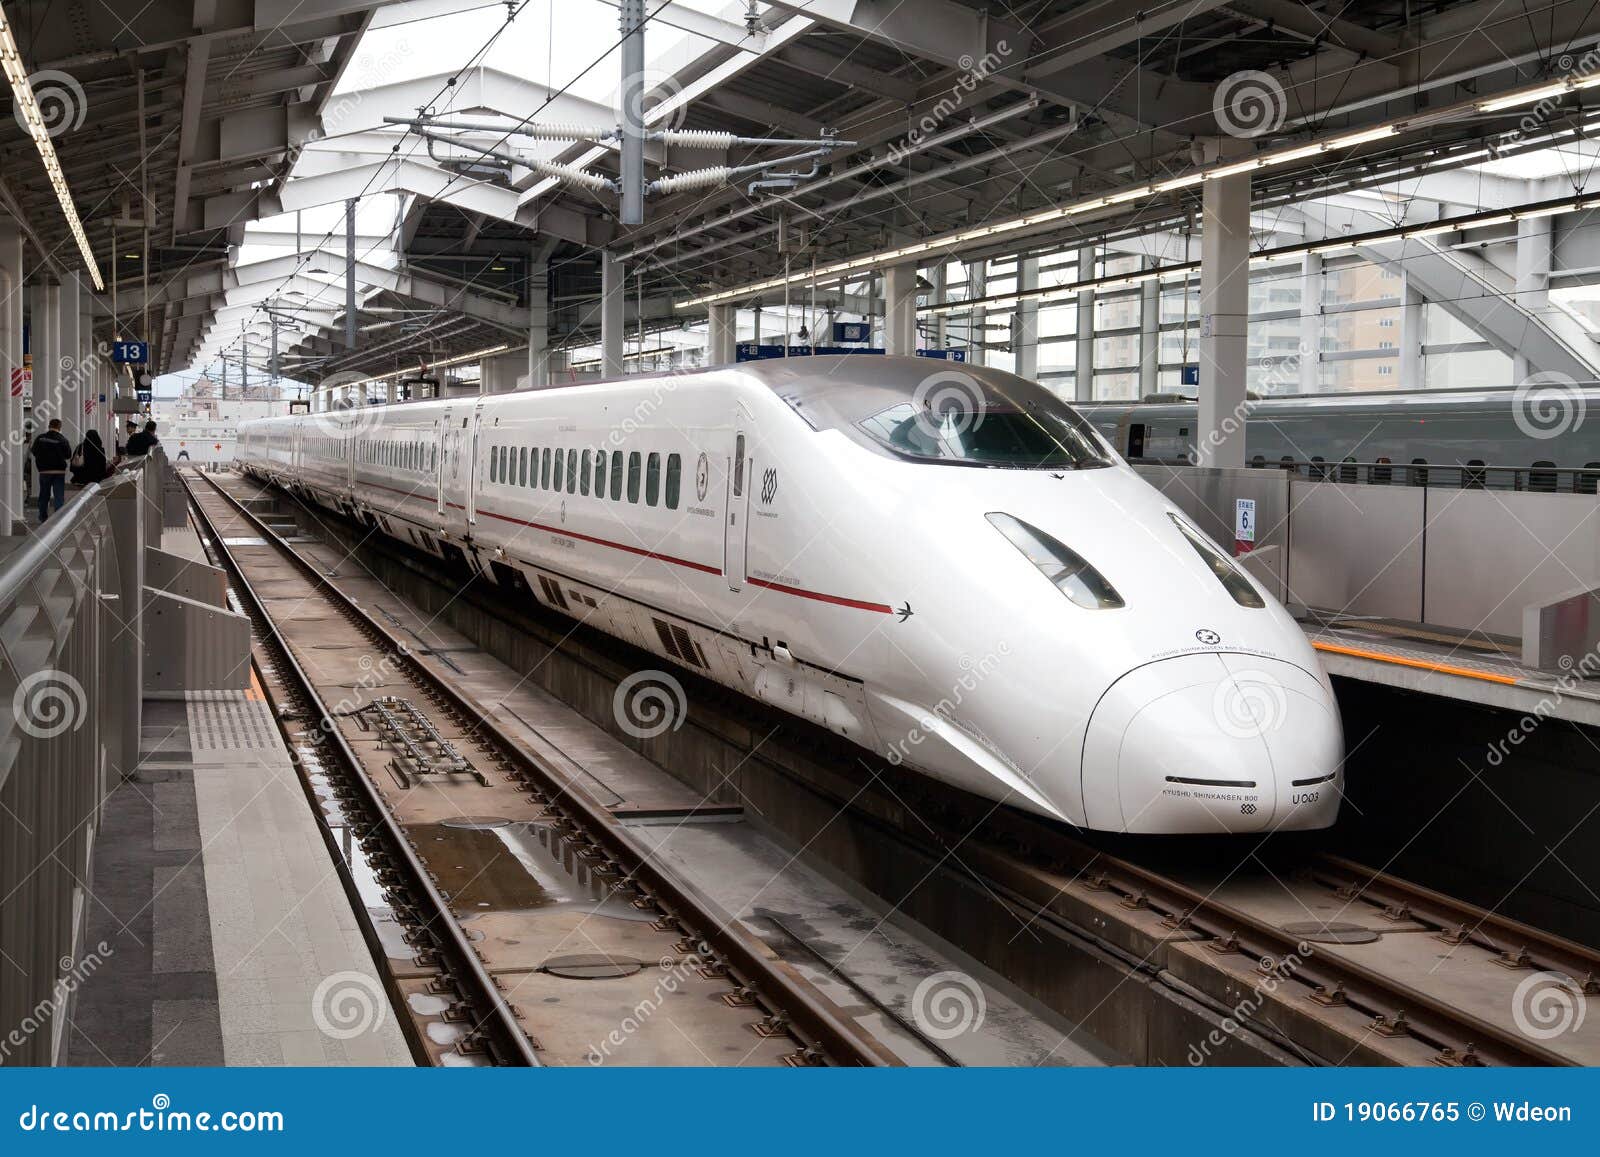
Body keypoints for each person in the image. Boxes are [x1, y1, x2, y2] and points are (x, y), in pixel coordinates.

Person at [30, 419, 72, 523]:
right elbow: (68, 455)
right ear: (59, 427)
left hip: (44, 471)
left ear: (49, 426)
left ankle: (43, 517)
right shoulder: (63, 439)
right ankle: (58, 519)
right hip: (59, 472)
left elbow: (34, 451)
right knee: (58, 496)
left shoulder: (40, 438)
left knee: (44, 495)